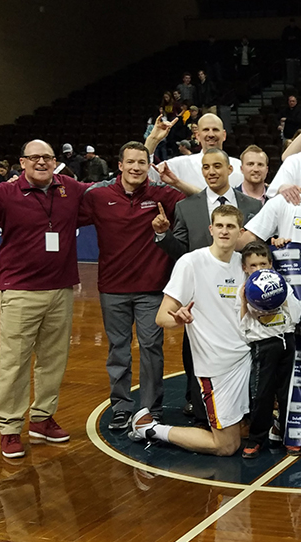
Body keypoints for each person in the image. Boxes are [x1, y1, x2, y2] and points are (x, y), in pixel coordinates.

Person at [0, 141, 90, 457]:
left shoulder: (69, 188)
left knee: (54, 359)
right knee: (15, 361)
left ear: (56, 161)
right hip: (20, 291)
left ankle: (41, 418)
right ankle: (10, 427)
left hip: (61, 289)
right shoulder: (5, 192)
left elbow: (104, 192)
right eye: (35, 157)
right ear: (22, 162)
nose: (41, 162)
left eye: (47, 157)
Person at [79, 142, 195, 430]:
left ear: (148, 167)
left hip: (152, 289)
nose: (135, 167)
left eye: (141, 163)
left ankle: (150, 409)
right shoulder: (98, 196)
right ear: (119, 165)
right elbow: (64, 207)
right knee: (118, 349)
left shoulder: (163, 196)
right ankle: (121, 406)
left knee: (151, 348)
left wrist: (176, 181)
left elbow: (201, 200)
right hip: (112, 288)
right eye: (130, 162)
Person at [131, 205, 251, 456]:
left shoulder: (245, 265)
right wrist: (180, 319)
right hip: (216, 366)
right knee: (226, 446)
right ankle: (150, 428)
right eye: (219, 225)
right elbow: (162, 317)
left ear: (240, 232)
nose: (224, 231)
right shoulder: (191, 262)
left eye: (230, 226)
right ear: (211, 229)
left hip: (247, 361)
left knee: (244, 434)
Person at [152, 149, 261, 423]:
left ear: (229, 169)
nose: (211, 172)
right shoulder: (186, 207)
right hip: (200, 293)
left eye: (217, 166)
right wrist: (163, 234)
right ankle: (195, 401)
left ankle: (244, 407)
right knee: (195, 350)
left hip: (236, 294)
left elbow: (262, 248)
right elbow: (180, 250)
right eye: (206, 167)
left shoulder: (254, 205)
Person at [237, 242, 301, 459]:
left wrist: (280, 298)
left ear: (271, 265)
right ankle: (256, 439)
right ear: (245, 268)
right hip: (264, 346)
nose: (259, 269)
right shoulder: (244, 291)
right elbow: (244, 329)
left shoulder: (283, 285)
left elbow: (296, 315)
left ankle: (288, 437)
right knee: (262, 394)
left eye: (263, 264)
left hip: (287, 341)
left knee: (287, 393)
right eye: (253, 265)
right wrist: (246, 303)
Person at [146, 113, 243, 189]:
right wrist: (152, 140)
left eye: (215, 129)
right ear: (198, 136)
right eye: (206, 130)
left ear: (224, 135)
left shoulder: (239, 167)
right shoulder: (181, 164)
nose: (211, 134)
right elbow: (147, 177)